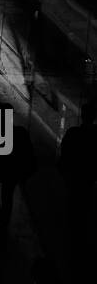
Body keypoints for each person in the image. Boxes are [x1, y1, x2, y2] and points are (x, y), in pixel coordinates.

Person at [58, 99, 97, 242]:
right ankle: (82, 233)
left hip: (74, 176)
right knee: (86, 204)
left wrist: (63, 171)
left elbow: (65, 153)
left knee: (73, 205)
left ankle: (73, 233)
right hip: (88, 176)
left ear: (82, 115)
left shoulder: (73, 133)